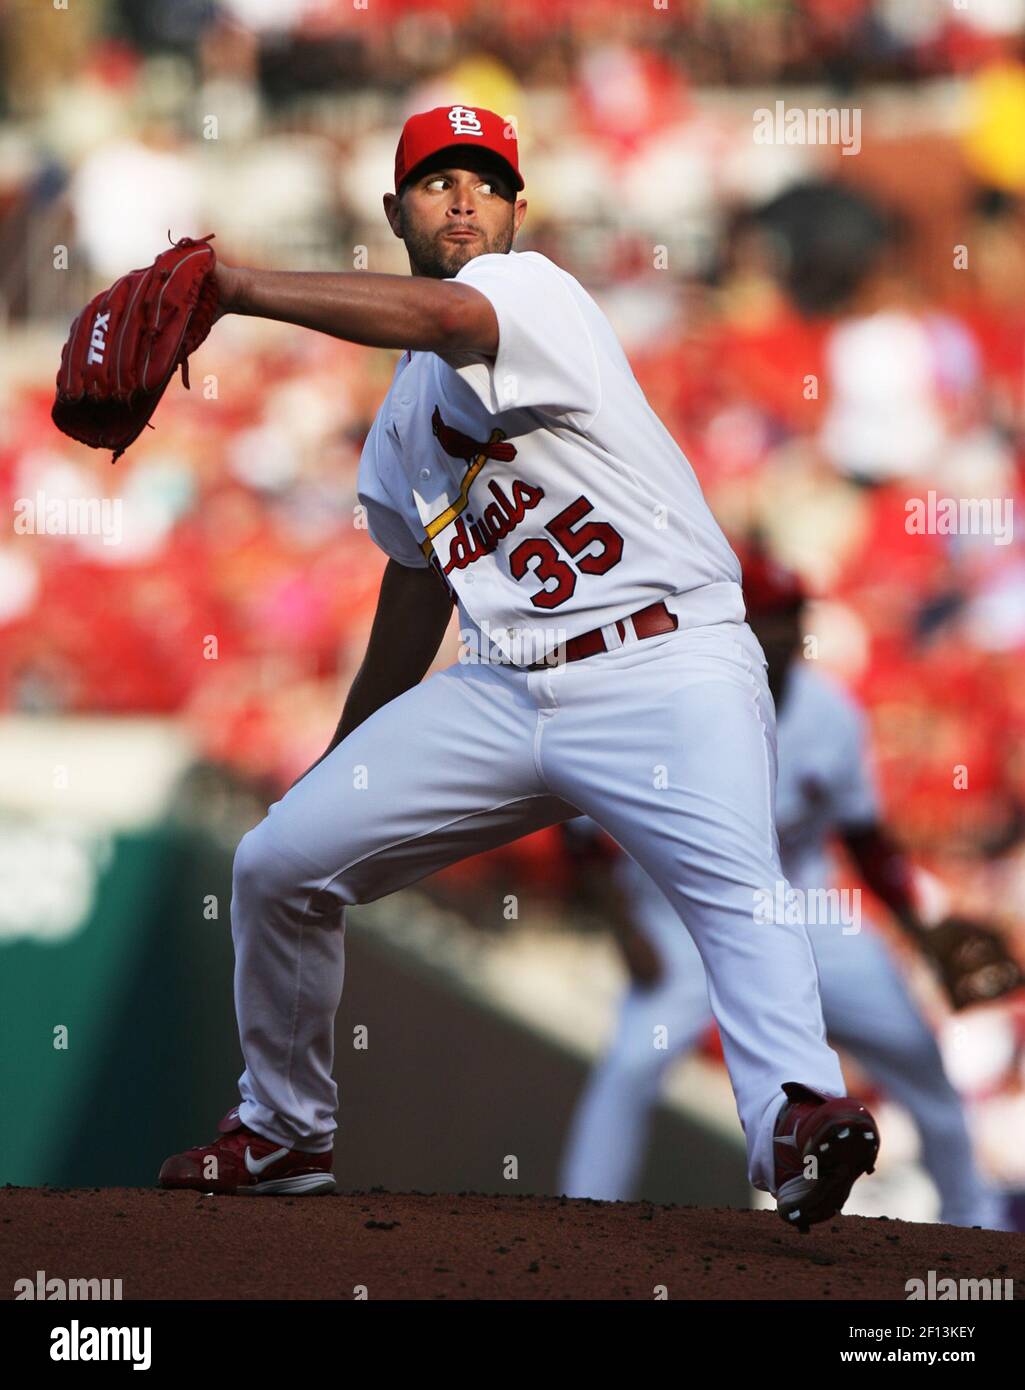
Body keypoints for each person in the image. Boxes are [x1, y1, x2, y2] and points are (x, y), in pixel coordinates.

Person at [158, 104, 878, 1230]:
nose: (461, 199)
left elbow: (448, 314)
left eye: (484, 183)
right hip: (505, 685)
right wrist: (338, 763)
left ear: (516, 209)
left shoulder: (531, 290)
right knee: (277, 862)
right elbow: (414, 594)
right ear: (391, 209)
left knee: (736, 888)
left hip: (664, 658)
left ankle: (789, 1118)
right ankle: (284, 1130)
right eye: (436, 180)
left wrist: (236, 289)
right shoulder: (398, 423)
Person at [559, 549, 1006, 1230]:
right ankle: (582, 1221)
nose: (775, 632)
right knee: (626, 1069)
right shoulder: (662, 705)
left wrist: (920, 929)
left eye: (786, 617)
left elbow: (865, 840)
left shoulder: (830, 713)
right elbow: (581, 832)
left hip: (806, 910)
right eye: (761, 618)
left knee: (921, 1060)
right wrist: (625, 931)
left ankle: (974, 1231)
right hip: (681, 916)